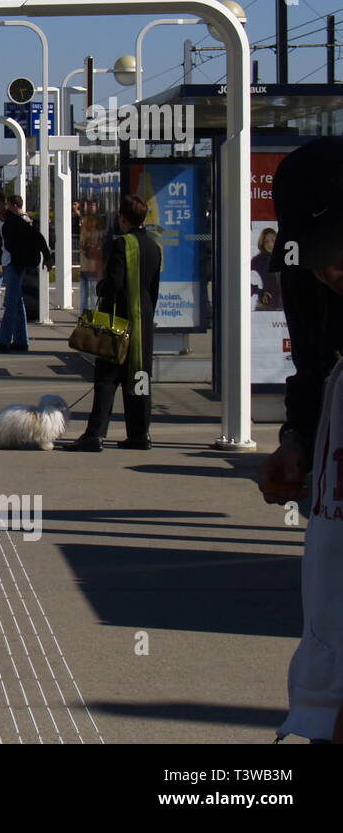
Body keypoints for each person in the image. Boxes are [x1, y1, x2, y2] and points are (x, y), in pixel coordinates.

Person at [255, 137, 343, 744]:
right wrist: (295, 437)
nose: (323, 273)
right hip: (324, 674)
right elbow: (311, 367)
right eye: (310, 260)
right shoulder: (317, 290)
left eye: (333, 257)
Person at [66, 193, 161, 452]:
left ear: (123, 218)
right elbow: (154, 288)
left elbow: (114, 283)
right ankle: (140, 433)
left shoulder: (123, 244)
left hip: (120, 322)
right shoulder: (154, 247)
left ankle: (95, 434)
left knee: (106, 379)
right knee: (139, 378)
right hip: (143, 323)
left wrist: (102, 288)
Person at [0, 193, 50, 353]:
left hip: (17, 263)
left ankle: (3, 340)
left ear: (5, 204)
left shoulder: (14, 220)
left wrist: (47, 257)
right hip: (8, 263)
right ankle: (21, 340)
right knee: (16, 302)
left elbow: (37, 237)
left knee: (10, 302)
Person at [251, 226, 283, 310]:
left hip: (283, 308)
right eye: (266, 241)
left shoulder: (286, 258)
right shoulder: (257, 260)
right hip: (265, 306)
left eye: (273, 240)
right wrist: (259, 292)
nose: (270, 244)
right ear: (262, 243)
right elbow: (240, 278)